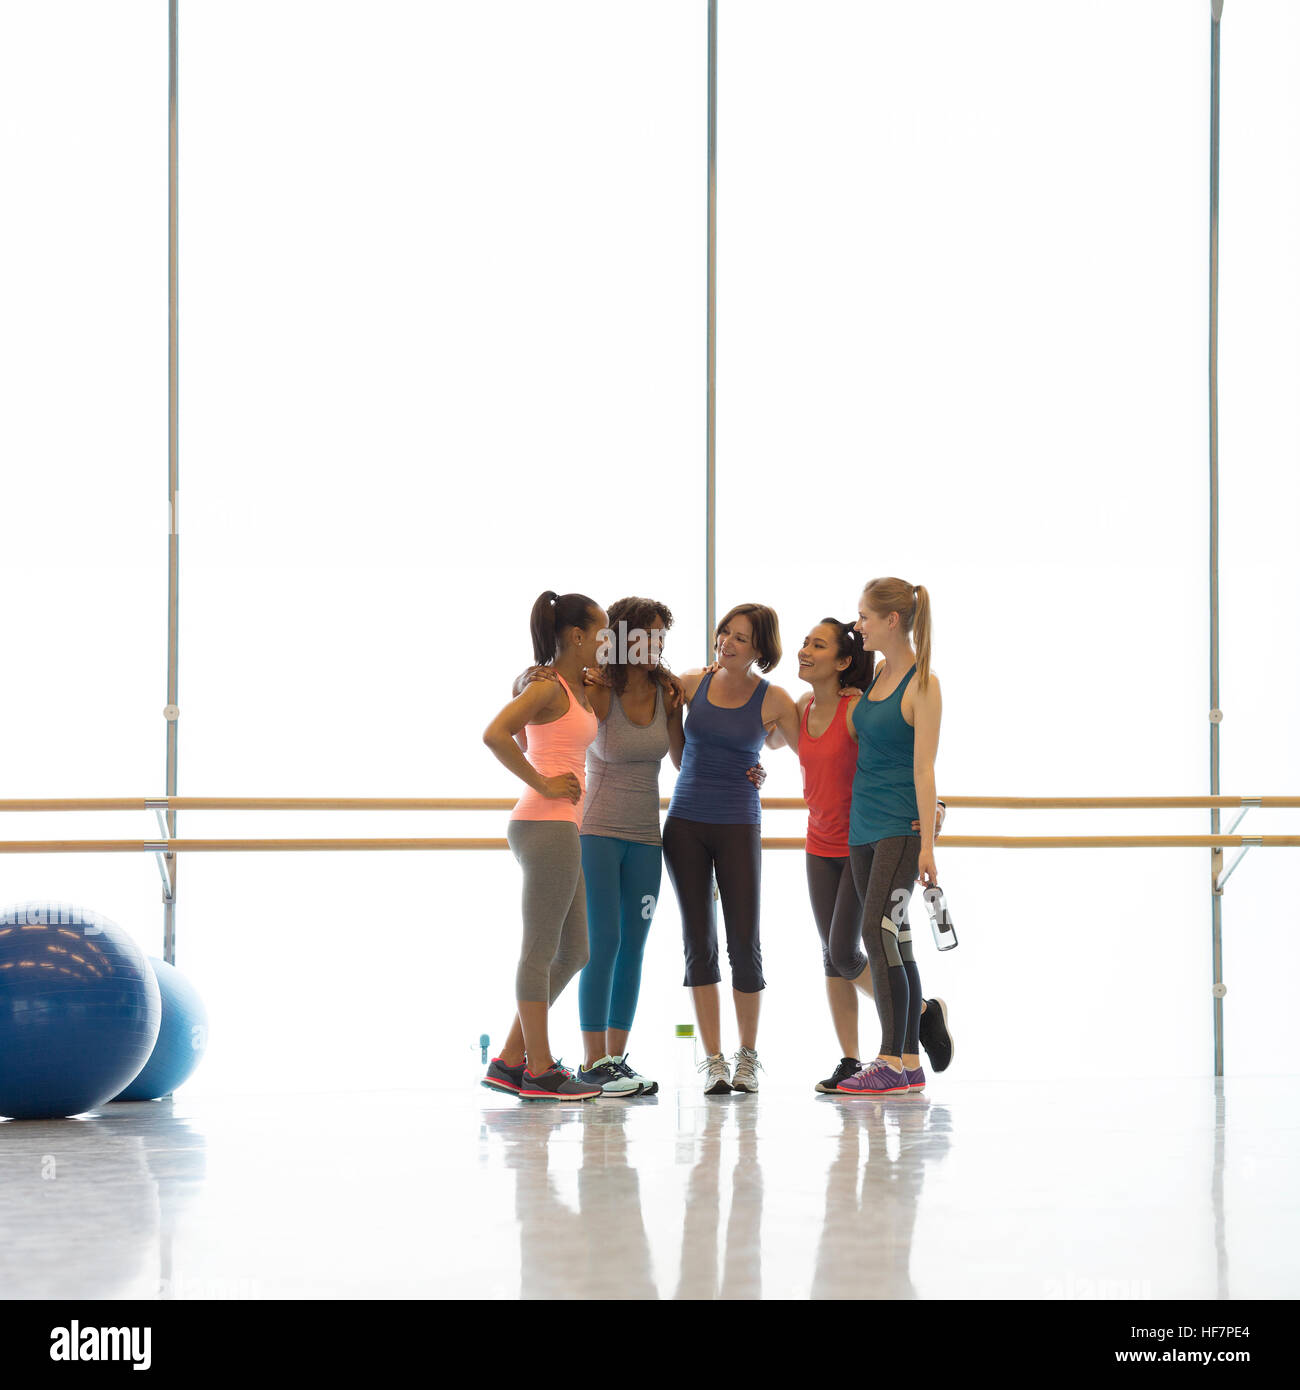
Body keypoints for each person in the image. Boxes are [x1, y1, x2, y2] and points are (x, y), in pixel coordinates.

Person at [764, 618, 952, 1093]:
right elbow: (765, 736)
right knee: (834, 955)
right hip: (818, 842)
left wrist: (934, 808)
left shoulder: (857, 709)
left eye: (818, 645)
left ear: (844, 662)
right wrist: (748, 765)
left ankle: (914, 1023)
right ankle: (852, 1059)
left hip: (865, 841)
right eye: (805, 642)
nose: (804, 650)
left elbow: (902, 753)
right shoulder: (804, 707)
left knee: (852, 949)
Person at [664, 604, 801, 1094]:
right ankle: (714, 1060)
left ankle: (747, 1057)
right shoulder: (688, 682)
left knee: (744, 942)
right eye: (725, 632)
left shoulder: (775, 699)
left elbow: (807, 747)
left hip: (739, 822)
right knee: (697, 944)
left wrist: (759, 765)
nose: (727, 642)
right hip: (684, 824)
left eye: (741, 638)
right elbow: (676, 749)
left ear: (760, 649)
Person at [480, 590, 608, 1102]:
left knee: (575, 950)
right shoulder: (546, 686)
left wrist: (588, 687)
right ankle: (538, 1067)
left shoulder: (572, 688)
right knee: (539, 951)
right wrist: (543, 781)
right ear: (577, 635)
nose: (605, 641)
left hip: (562, 826)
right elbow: (495, 733)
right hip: (544, 823)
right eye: (599, 632)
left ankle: (511, 1058)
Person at [835, 579, 950, 1096]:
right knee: (894, 937)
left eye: (864, 617)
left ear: (893, 621)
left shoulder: (924, 684)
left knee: (875, 934)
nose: (857, 625)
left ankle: (888, 1060)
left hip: (900, 828)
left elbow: (924, 769)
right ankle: (908, 1060)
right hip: (863, 824)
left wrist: (927, 843)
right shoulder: (880, 673)